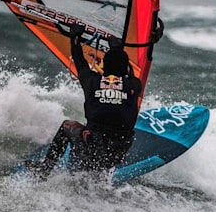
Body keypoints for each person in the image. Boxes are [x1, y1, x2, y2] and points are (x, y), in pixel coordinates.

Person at [30, 23, 143, 176]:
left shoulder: (91, 81)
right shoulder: (134, 85)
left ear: (105, 65)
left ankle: (45, 169)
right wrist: (117, 49)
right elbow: (126, 72)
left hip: (92, 154)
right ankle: (99, 168)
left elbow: (79, 61)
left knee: (67, 126)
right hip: (117, 155)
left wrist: (75, 37)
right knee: (114, 133)